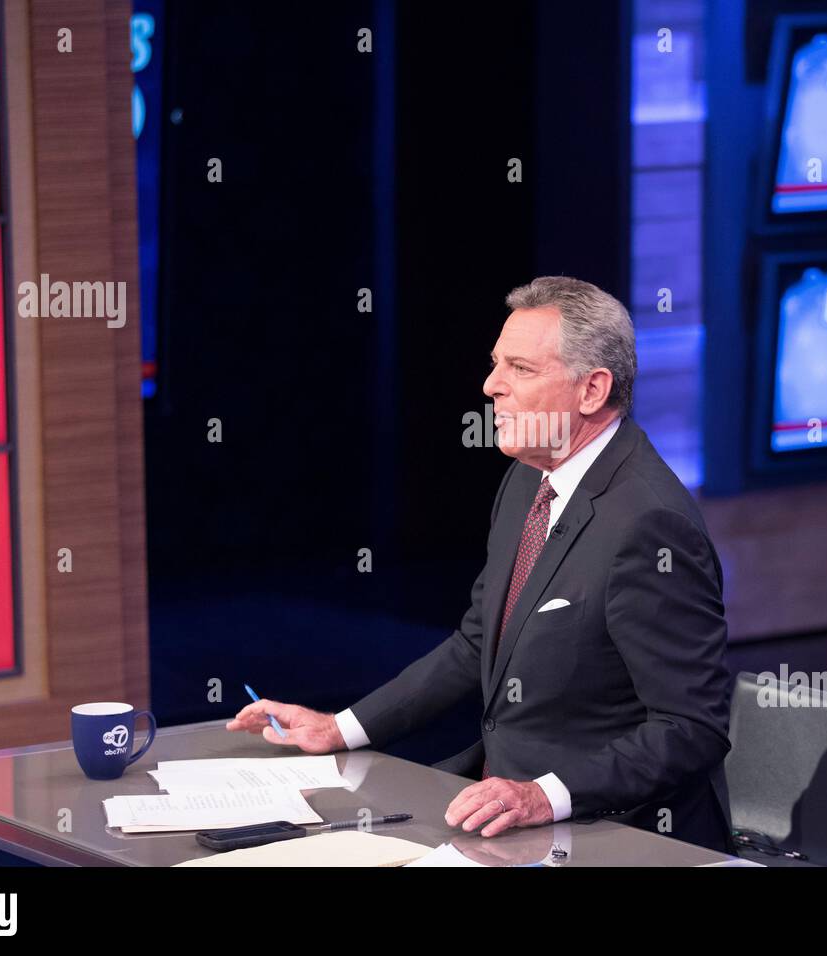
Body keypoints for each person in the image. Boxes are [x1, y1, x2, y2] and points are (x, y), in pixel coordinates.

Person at [227, 276, 735, 852]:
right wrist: (339, 728)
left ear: (592, 390)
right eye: (497, 365)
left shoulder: (649, 523)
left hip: (619, 830)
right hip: (495, 810)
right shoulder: (527, 482)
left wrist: (543, 795)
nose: (491, 385)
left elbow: (691, 728)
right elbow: (478, 644)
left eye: (520, 369)